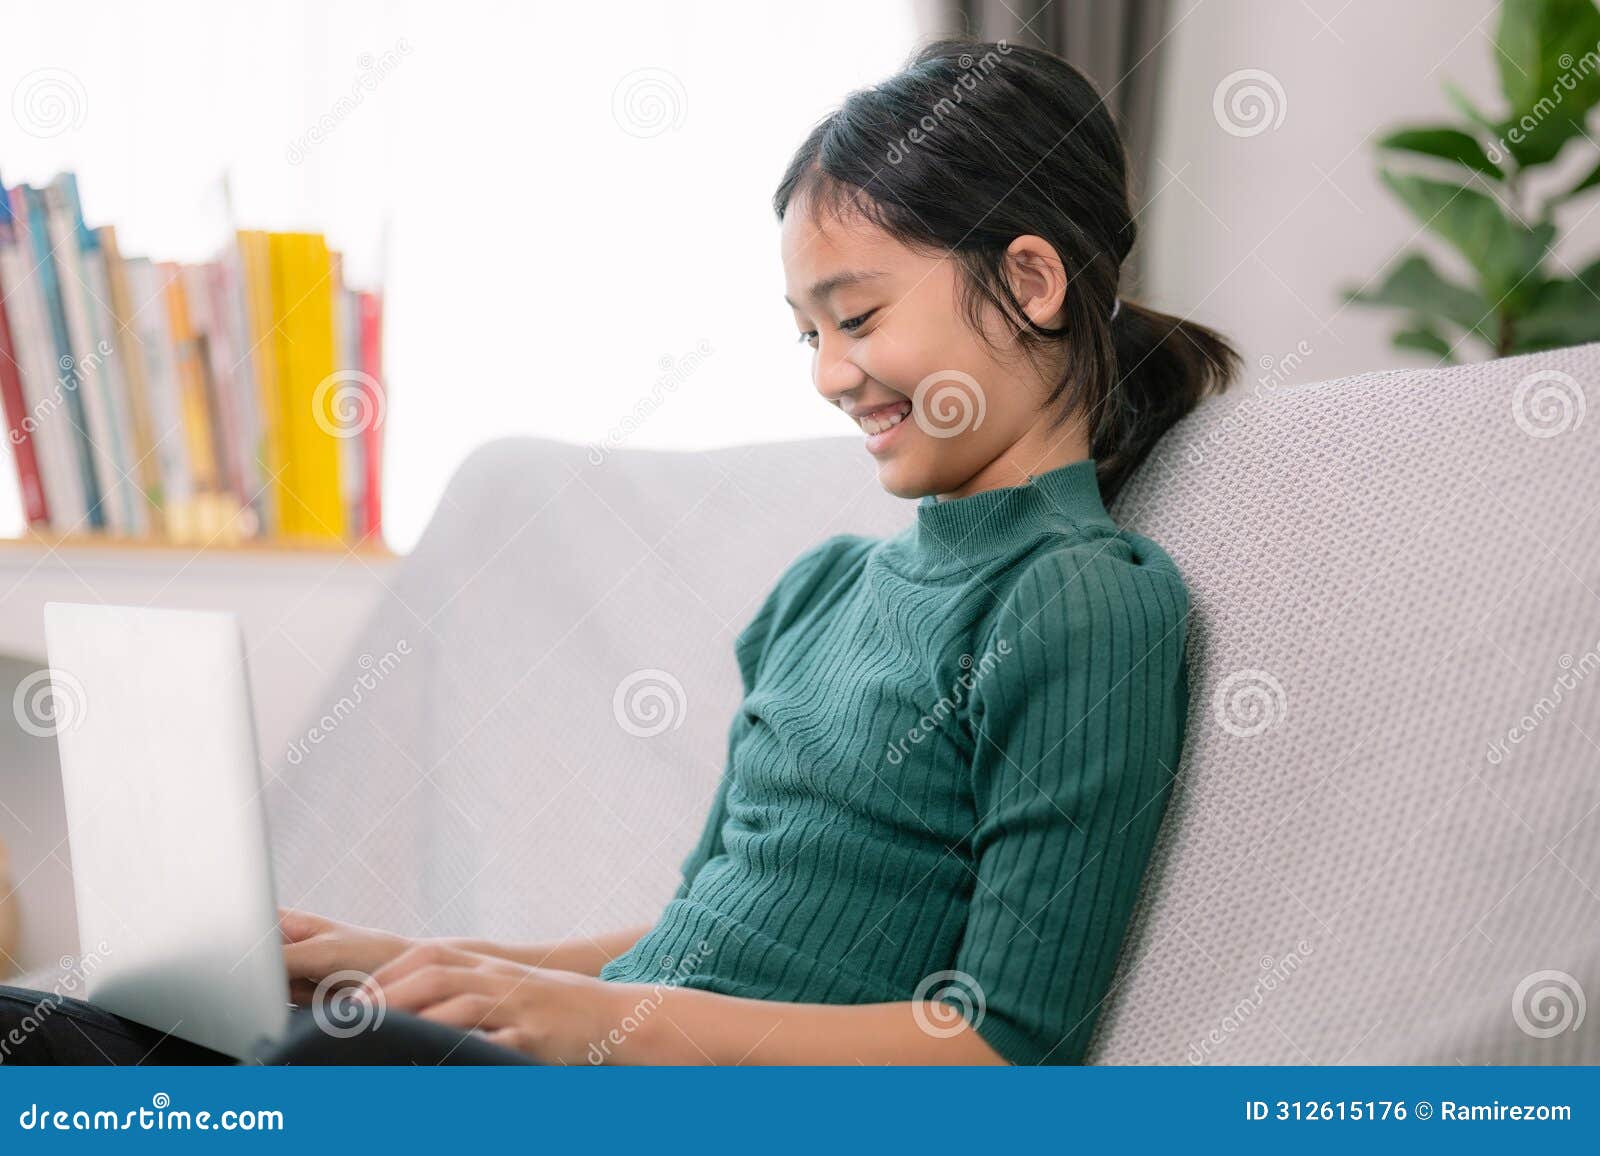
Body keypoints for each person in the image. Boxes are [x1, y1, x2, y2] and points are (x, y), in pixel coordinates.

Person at [0, 35, 1238, 1066]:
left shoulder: (1083, 603)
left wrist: (595, 1023)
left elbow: (1004, 1048)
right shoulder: (822, 593)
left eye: (856, 317)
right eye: (803, 332)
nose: (829, 375)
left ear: (1029, 280)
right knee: (64, 1030)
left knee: (317, 1069)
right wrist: (432, 967)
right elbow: (695, 934)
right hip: (611, 1073)